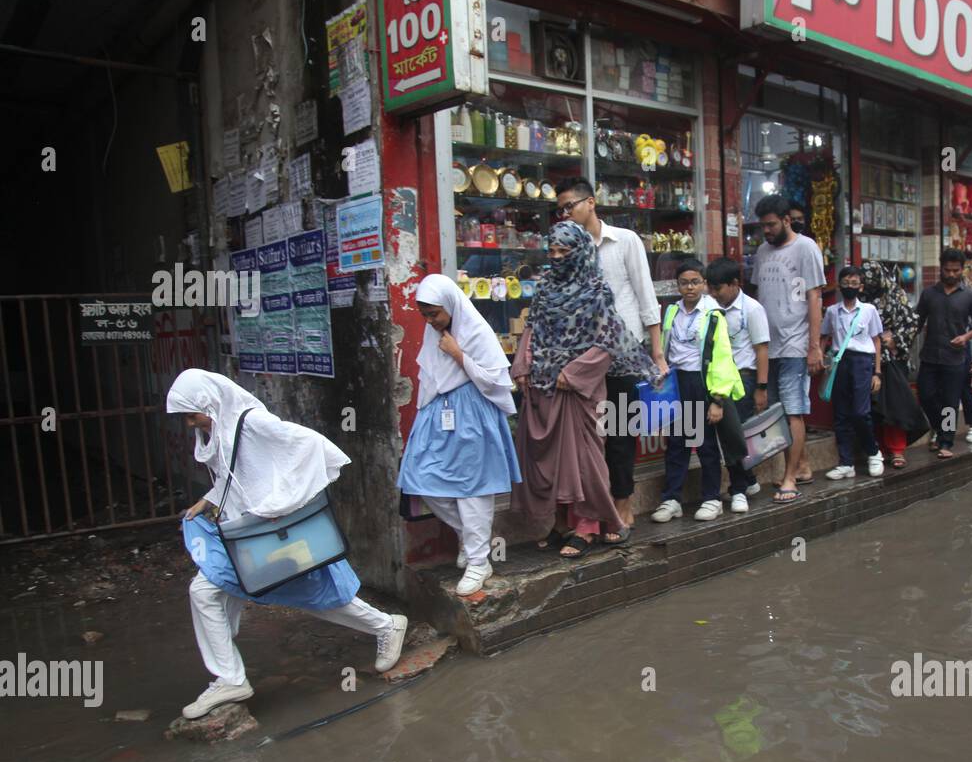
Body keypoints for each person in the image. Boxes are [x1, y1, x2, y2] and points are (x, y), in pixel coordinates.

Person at [167, 369, 408, 720]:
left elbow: (310, 447)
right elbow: (237, 474)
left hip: (271, 534)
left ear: (211, 402)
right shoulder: (220, 429)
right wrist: (210, 498)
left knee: (318, 598)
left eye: (192, 415)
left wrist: (278, 506)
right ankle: (229, 677)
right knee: (207, 591)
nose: (191, 424)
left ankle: (387, 625)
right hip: (245, 537)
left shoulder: (251, 422)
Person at [511, 220, 657, 558]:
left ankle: (587, 526)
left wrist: (575, 372)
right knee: (549, 460)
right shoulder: (545, 287)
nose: (558, 257)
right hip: (544, 386)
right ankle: (561, 522)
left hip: (579, 390)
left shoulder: (596, 290)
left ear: (580, 251)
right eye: (553, 251)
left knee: (583, 460)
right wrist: (522, 364)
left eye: (565, 250)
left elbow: (607, 342)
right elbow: (532, 328)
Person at [554, 177, 668, 544]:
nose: (565, 214)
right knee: (588, 438)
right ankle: (592, 514)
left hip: (622, 352)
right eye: (560, 210)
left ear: (590, 202)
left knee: (620, 433)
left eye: (569, 206)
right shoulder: (567, 248)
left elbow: (645, 295)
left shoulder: (625, 241)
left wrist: (657, 352)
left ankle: (622, 504)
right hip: (582, 359)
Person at [397, 274, 522, 596]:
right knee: (421, 480)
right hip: (438, 415)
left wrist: (458, 354)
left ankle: (480, 561)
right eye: (425, 315)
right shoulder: (432, 333)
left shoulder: (476, 331)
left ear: (451, 305)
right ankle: (471, 539)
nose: (430, 321)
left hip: (474, 414)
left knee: (474, 489)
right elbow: (430, 376)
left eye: (435, 313)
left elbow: (497, 380)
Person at [651, 260, 747, 523]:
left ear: (704, 284)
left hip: (701, 384)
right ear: (678, 285)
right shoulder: (671, 311)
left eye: (695, 282)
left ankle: (711, 498)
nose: (689, 287)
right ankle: (671, 499)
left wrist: (717, 399)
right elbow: (664, 346)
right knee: (676, 444)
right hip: (676, 382)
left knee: (705, 444)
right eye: (684, 282)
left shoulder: (713, 314)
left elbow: (722, 358)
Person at [749, 194, 827, 501]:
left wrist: (814, 347)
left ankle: (790, 477)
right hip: (768, 347)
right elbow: (756, 298)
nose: (766, 231)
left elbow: (815, 298)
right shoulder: (762, 253)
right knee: (777, 414)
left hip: (796, 345)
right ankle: (803, 465)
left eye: (770, 225)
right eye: (762, 226)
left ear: (786, 220)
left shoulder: (806, 247)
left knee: (793, 412)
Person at [706, 257, 770, 511]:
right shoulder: (711, 308)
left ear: (734, 284)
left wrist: (761, 388)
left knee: (736, 437)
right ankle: (748, 481)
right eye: (710, 287)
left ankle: (739, 487)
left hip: (743, 378)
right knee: (728, 437)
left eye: (718, 288)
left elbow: (762, 349)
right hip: (719, 380)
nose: (714, 293)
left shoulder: (752, 309)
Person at [916, 248, 972, 460]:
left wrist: (966, 337)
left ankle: (946, 440)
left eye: (956, 270)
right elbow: (917, 322)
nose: (951, 274)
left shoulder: (970, 296)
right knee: (925, 394)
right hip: (929, 355)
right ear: (941, 268)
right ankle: (938, 427)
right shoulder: (929, 294)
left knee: (950, 401)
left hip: (955, 358)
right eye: (947, 270)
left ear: (962, 270)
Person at [861, 261, 929, 468]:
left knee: (944, 403)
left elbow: (911, 323)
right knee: (876, 408)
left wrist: (894, 342)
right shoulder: (861, 300)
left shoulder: (896, 295)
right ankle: (879, 448)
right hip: (869, 359)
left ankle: (946, 436)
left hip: (896, 360)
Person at [820, 265, 884, 479]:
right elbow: (824, 336)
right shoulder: (831, 311)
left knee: (860, 412)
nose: (850, 287)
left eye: (854, 283)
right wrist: (821, 358)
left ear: (861, 286)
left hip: (862, 362)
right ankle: (846, 462)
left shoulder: (869, 310)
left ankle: (874, 453)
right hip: (839, 363)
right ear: (839, 285)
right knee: (840, 414)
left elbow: (876, 340)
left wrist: (877, 372)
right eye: (846, 283)